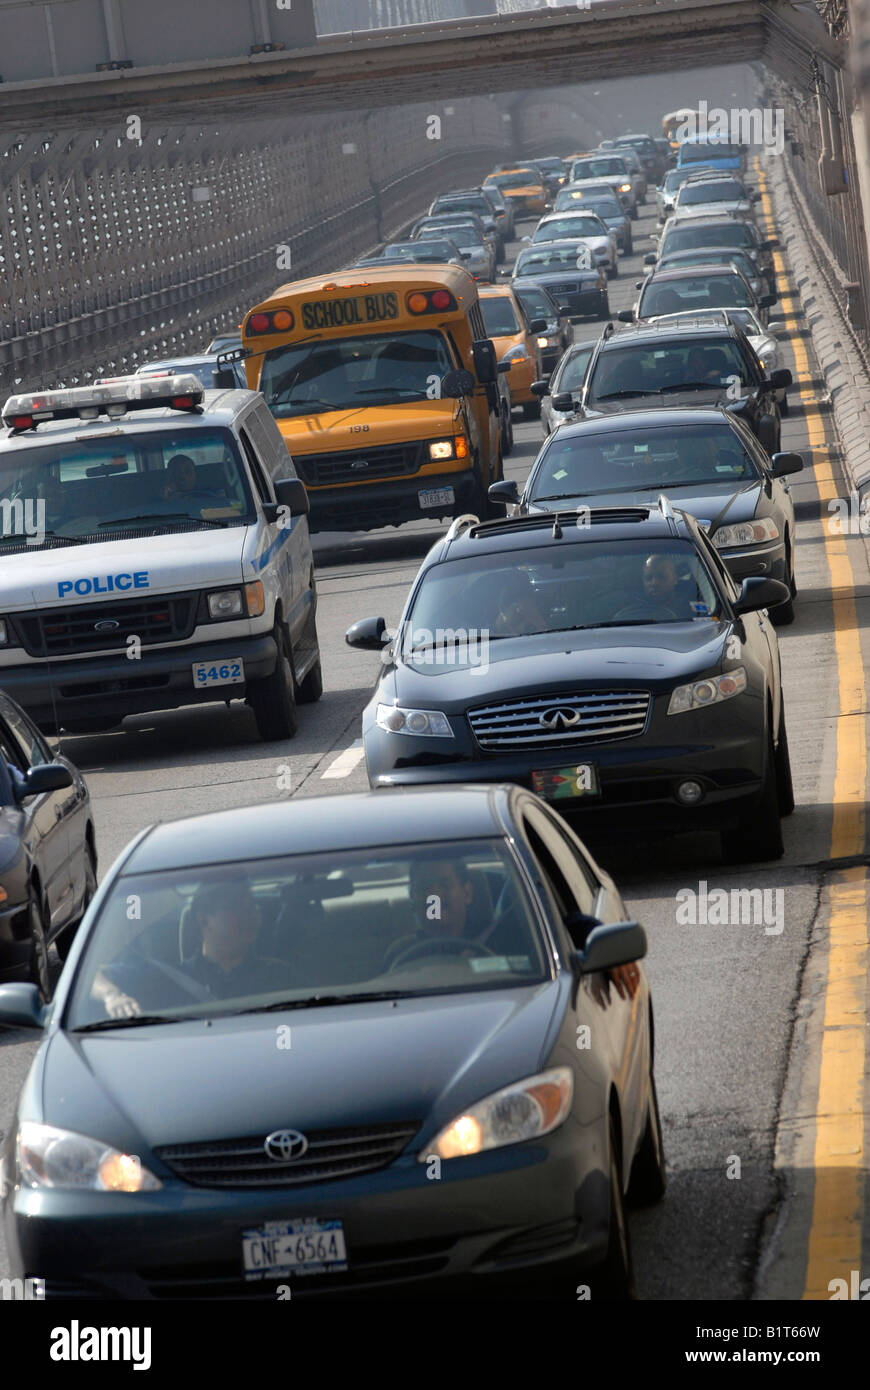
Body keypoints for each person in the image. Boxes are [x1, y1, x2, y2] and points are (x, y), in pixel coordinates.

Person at [93, 882, 290, 1019]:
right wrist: (112, 996)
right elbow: (92, 977)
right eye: (237, 907)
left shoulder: (280, 976)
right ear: (204, 920)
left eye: (252, 907)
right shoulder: (167, 978)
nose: (251, 914)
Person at [383, 858, 528, 968]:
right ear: (412, 901)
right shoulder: (400, 954)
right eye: (424, 888)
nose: (435, 896)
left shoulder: (501, 944)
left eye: (444, 885)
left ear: (467, 893)